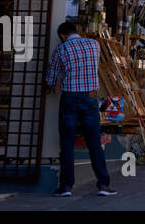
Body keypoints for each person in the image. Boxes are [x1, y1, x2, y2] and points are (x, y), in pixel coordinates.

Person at [45, 21, 115, 197]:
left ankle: (66, 186)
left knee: (67, 142)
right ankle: (103, 185)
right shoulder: (94, 45)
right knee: (94, 142)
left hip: (69, 98)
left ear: (62, 36)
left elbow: (51, 79)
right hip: (90, 97)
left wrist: (50, 85)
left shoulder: (60, 50)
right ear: (77, 31)